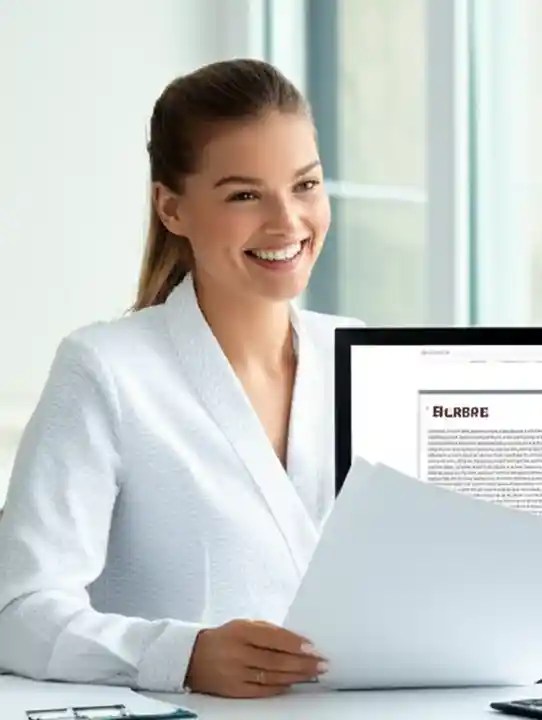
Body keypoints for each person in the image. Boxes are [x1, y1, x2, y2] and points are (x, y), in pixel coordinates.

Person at [0, 59, 362, 698]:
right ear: (171, 208)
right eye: (244, 195)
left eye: (304, 185)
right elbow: (17, 615)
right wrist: (182, 655)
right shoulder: (106, 370)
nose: (287, 223)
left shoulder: (358, 355)